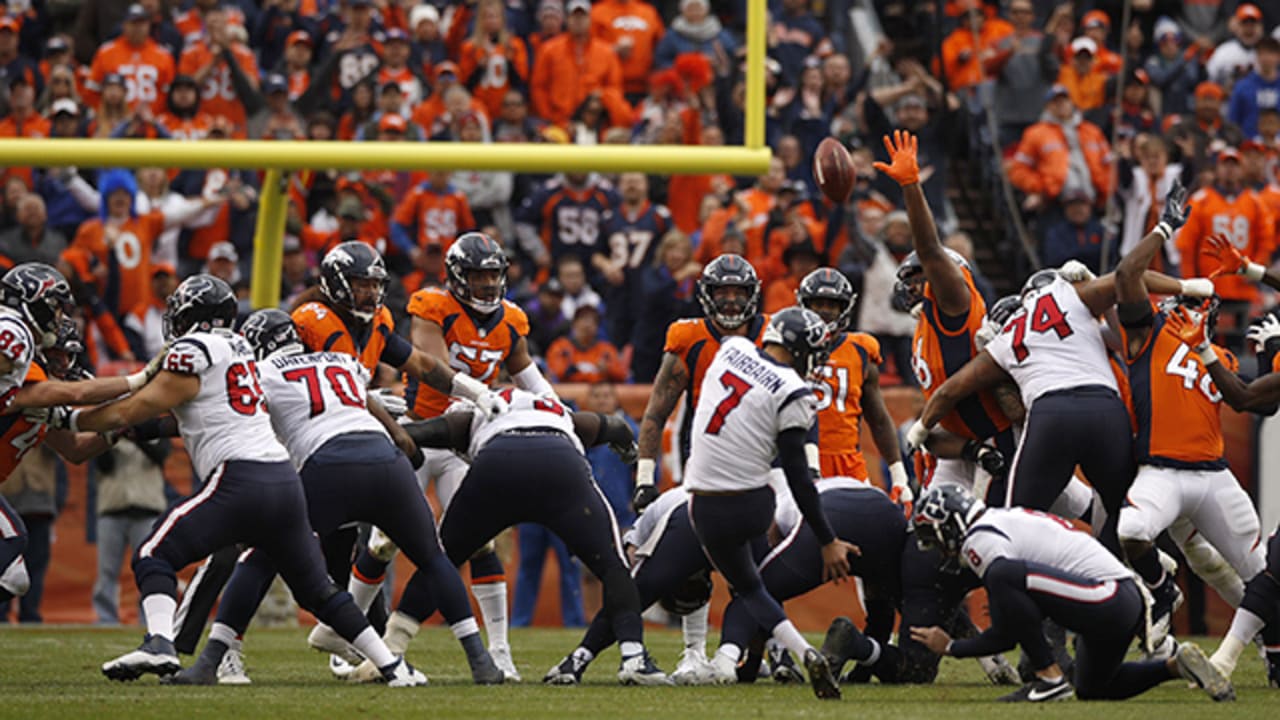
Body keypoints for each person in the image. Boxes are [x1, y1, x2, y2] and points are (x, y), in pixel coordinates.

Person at [50, 275, 423, 685]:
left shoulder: (195, 353)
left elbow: (131, 410)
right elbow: (174, 415)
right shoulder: (240, 354)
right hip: (284, 480)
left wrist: (67, 414)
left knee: (154, 553)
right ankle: (392, 665)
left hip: (240, 478)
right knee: (319, 591)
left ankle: (160, 642)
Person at [163, 309, 502, 686]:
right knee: (433, 558)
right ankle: (481, 660)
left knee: (260, 557)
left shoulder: (262, 373)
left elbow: (239, 414)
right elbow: (362, 400)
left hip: (330, 466)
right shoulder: (343, 360)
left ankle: (212, 659)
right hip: (386, 462)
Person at [906, 186, 1208, 555]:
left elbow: (964, 392)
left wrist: (920, 427)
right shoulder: (1073, 306)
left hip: (1054, 421)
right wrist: (1187, 283)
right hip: (1121, 418)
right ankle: (1144, 582)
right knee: (1130, 520)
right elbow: (1124, 293)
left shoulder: (1009, 335)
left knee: (1016, 524)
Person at [343, 233, 555, 682]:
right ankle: (347, 637)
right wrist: (485, 399)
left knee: (483, 541)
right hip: (420, 435)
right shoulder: (431, 307)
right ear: (458, 277)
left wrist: (557, 410)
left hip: (464, 445)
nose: (486, 284)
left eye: (493, 275)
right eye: (478, 276)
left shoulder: (511, 320)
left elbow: (528, 374)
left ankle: (500, 651)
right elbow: (438, 371)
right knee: (383, 541)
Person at [357, 387, 672, 686]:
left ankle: (391, 650)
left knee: (440, 562)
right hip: (559, 465)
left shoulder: (471, 414)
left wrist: (377, 427)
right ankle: (632, 656)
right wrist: (627, 450)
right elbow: (615, 426)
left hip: (499, 465)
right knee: (613, 568)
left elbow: (413, 435)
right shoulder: (557, 411)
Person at [908, 484, 1231, 702]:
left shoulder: (981, 540)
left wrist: (951, 646)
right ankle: (1177, 666)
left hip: (1109, 596)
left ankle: (1050, 680)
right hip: (1115, 600)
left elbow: (1007, 628)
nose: (937, 548)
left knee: (1003, 575)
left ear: (949, 524)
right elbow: (1011, 630)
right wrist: (955, 647)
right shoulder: (1000, 520)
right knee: (1094, 688)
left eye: (934, 537)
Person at [680, 307, 856, 700]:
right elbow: (797, 474)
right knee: (759, 582)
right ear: (800, 349)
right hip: (755, 505)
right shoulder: (794, 391)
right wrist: (826, 538)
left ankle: (769, 652)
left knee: (749, 587)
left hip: (705, 504)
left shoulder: (730, 348)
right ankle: (801, 652)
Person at [1112, 222, 1270, 656]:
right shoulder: (1147, 337)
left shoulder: (1221, 355)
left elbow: (1252, 400)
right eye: (1187, 302)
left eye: (1201, 305)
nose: (1194, 310)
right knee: (1132, 529)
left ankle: (1269, 646)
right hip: (1160, 468)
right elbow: (1128, 274)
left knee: (1259, 571)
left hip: (1212, 474)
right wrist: (1164, 231)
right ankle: (1162, 590)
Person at [875, 131, 1015, 502]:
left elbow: (930, 249)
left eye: (923, 274)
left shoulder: (954, 303)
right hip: (965, 447)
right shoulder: (922, 327)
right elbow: (939, 414)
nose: (917, 283)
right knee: (931, 529)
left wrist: (910, 187)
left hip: (1000, 439)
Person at [631, 254, 768, 509]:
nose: (730, 301)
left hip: (762, 455)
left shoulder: (773, 337)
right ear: (706, 294)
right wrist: (645, 480)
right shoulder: (689, 338)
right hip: (704, 457)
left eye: (739, 292)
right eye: (722, 292)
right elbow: (655, 414)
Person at [795, 268, 906, 494]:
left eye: (832, 305)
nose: (824, 312)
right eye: (818, 304)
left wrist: (898, 474)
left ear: (845, 308)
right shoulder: (788, 346)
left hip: (846, 461)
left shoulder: (860, 349)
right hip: (796, 455)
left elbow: (878, 419)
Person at [546, 304, 627, 383]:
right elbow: (555, 373)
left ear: (598, 328)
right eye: (583, 319)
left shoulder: (606, 349)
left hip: (598, 393)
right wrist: (571, 370)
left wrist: (608, 369)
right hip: (566, 394)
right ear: (574, 324)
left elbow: (622, 375)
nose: (587, 325)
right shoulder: (560, 346)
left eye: (592, 321)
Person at [1228, 37, 1280, 139]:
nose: (1267, 58)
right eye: (1262, 53)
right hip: (1250, 148)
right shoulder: (1242, 87)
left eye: (1271, 53)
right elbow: (1233, 122)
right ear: (1256, 56)